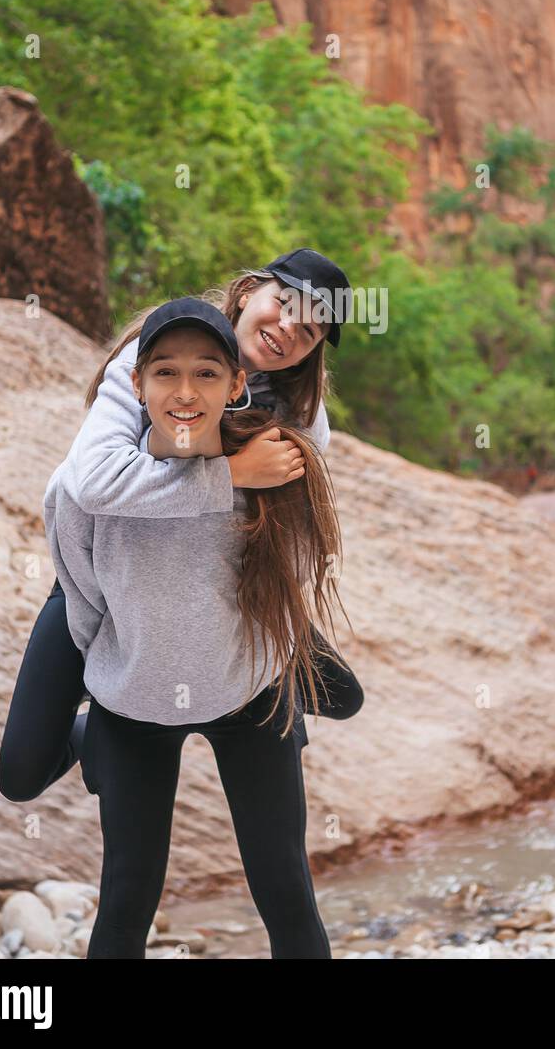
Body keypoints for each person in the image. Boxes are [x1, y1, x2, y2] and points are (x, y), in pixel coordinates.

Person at [0, 249, 363, 803]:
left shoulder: (301, 413)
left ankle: (265, 680)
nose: (289, 329)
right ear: (247, 292)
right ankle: (101, 722)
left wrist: (275, 622)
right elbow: (94, 483)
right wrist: (232, 473)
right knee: (21, 775)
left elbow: (291, 526)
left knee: (342, 695)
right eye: (283, 303)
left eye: (310, 331)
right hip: (110, 586)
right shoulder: (153, 354)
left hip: (221, 593)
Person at [43, 297, 345, 958]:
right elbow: (83, 588)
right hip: (135, 702)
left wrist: (273, 652)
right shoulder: (96, 486)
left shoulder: (279, 458)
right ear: (137, 381)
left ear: (236, 382)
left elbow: (294, 572)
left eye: (208, 373)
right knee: (126, 896)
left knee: (286, 889)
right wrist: (117, 663)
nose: (185, 392)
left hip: (251, 696)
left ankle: (312, 668)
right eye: (166, 374)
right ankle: (87, 733)